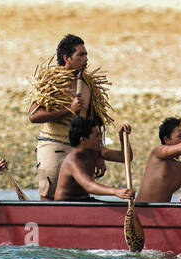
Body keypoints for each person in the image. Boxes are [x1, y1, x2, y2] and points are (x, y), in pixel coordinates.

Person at [27, 34, 108, 199]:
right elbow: (33, 116)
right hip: (54, 145)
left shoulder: (87, 84)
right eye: (81, 55)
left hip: (81, 149)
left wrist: (99, 154)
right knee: (49, 197)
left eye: (86, 54)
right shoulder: (52, 82)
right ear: (67, 58)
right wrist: (68, 110)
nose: (86, 59)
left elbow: (92, 121)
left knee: (81, 197)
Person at [54, 118, 132, 201]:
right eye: (97, 136)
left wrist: (122, 138)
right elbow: (88, 186)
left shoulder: (97, 151)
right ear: (83, 140)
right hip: (66, 204)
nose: (100, 139)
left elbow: (126, 157)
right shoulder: (72, 161)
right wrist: (115, 191)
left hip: (85, 200)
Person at [136, 117, 181, 203]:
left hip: (163, 213)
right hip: (141, 211)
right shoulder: (158, 153)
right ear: (167, 140)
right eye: (180, 136)